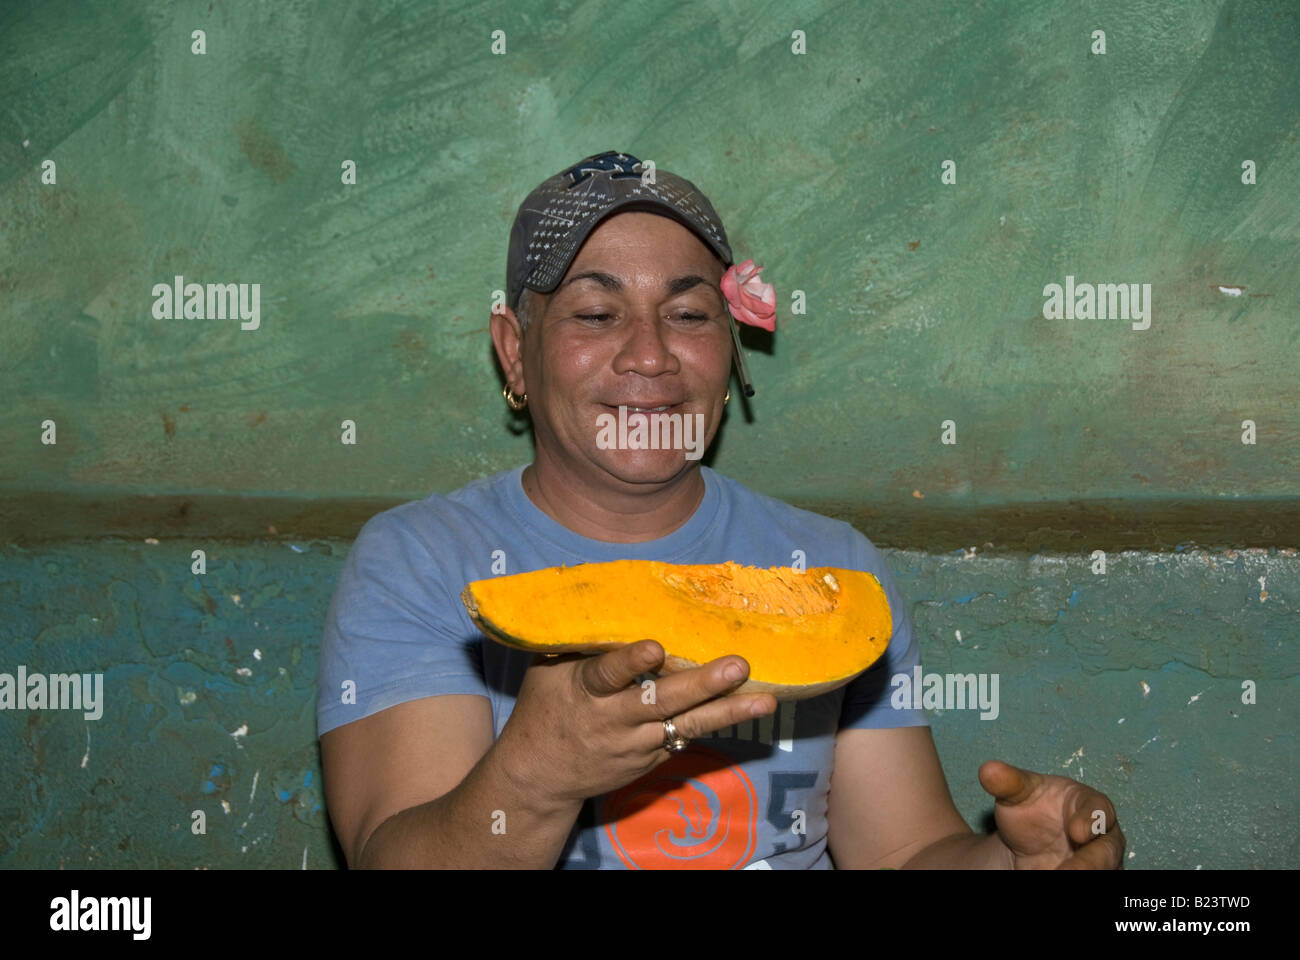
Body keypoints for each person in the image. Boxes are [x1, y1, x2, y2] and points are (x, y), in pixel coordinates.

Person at [316, 150, 1125, 870]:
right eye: (596, 314)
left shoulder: (830, 568)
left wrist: (1013, 866)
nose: (649, 354)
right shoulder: (418, 561)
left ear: (732, 349)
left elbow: (907, 850)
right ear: (513, 352)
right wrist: (533, 776)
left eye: (690, 314)